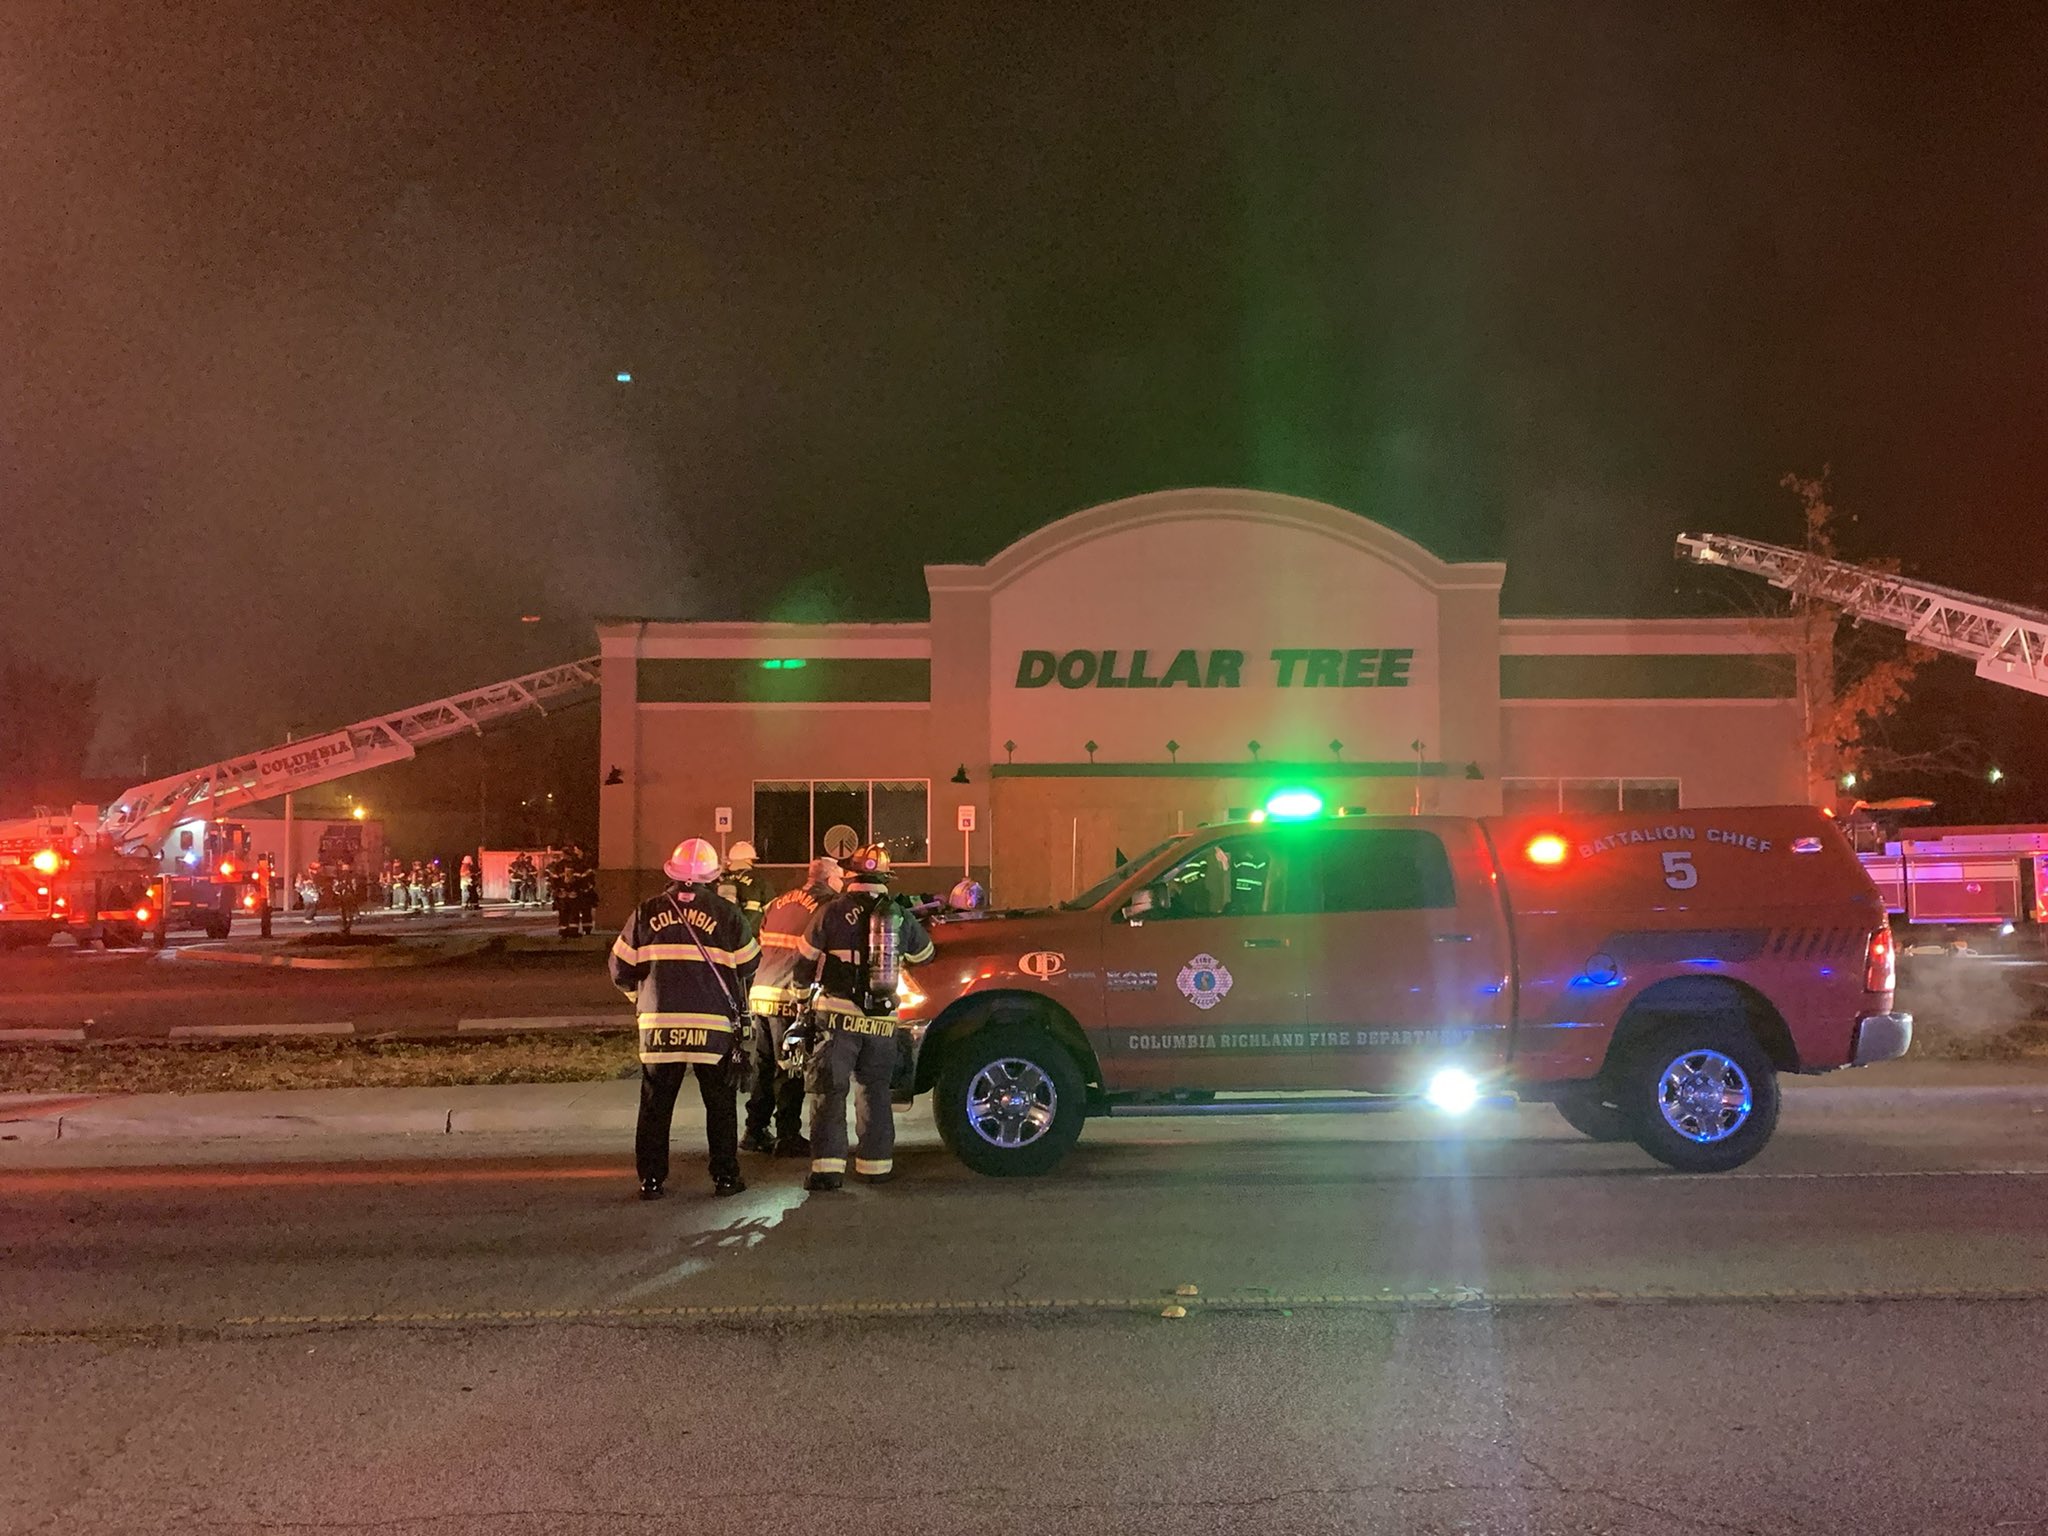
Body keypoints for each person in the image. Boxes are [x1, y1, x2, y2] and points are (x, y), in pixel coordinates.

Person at [610, 837, 759, 1200]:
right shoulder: (727, 913)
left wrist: (640, 999)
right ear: (712, 875)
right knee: (720, 1105)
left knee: (655, 1106)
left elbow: (619, 968)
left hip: (660, 1027)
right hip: (712, 1027)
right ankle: (725, 1178)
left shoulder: (645, 912)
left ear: (673, 873)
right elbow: (750, 964)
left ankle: (651, 1181)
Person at [791, 843, 935, 1191]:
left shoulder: (831, 910)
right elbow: (926, 954)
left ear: (851, 875)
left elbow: (804, 962)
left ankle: (827, 1171)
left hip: (838, 1019)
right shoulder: (899, 915)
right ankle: (875, 1167)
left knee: (830, 1091)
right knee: (875, 1091)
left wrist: (800, 1003)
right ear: (885, 877)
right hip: (881, 1022)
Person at [741, 856, 841, 1157]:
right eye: (840, 877)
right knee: (791, 1065)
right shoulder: (826, 905)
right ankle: (787, 1134)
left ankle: (754, 1130)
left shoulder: (779, 901)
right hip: (788, 994)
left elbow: (761, 939)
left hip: (761, 990)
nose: (842, 882)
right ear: (828, 878)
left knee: (765, 1064)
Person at [717, 841, 769, 933]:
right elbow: (772, 909)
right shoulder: (759, 879)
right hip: (750, 935)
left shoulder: (721, 879)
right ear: (749, 860)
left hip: (723, 935)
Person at [556, 841, 598, 937]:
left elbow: (555, 879)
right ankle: (573, 931)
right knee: (574, 912)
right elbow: (585, 878)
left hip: (563, 893)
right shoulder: (579, 864)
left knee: (564, 912)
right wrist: (581, 890)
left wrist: (559, 890)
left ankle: (564, 931)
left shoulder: (559, 865)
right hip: (576, 893)